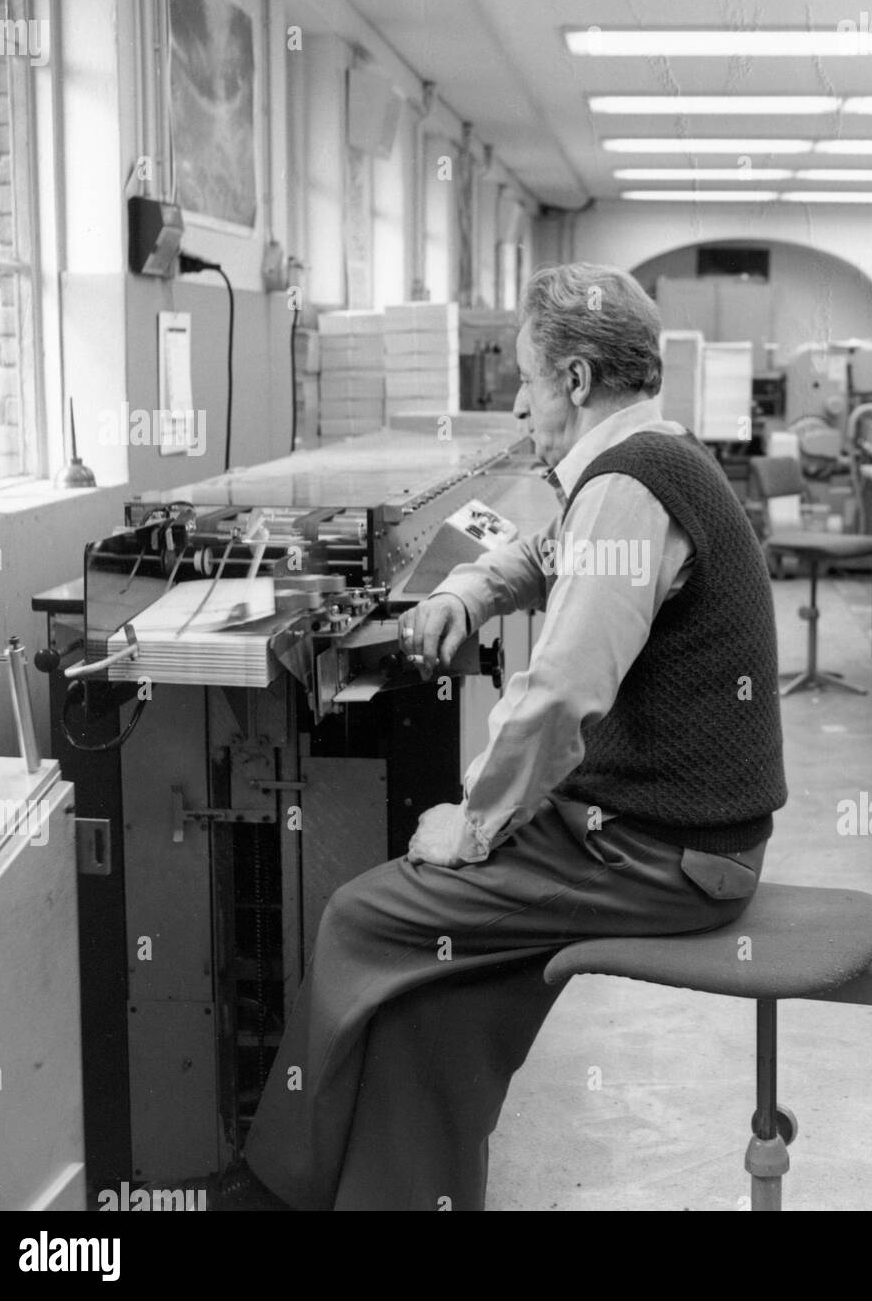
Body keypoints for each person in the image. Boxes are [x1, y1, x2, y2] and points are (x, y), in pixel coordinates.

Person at [242, 263, 787, 1210]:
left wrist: (475, 820)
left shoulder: (627, 487)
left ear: (574, 381)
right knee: (437, 1001)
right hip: (678, 836)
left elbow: (559, 694)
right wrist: (466, 589)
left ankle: (281, 1182)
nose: (521, 408)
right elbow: (548, 550)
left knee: (363, 917)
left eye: (527, 384)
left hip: (660, 853)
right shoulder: (656, 456)